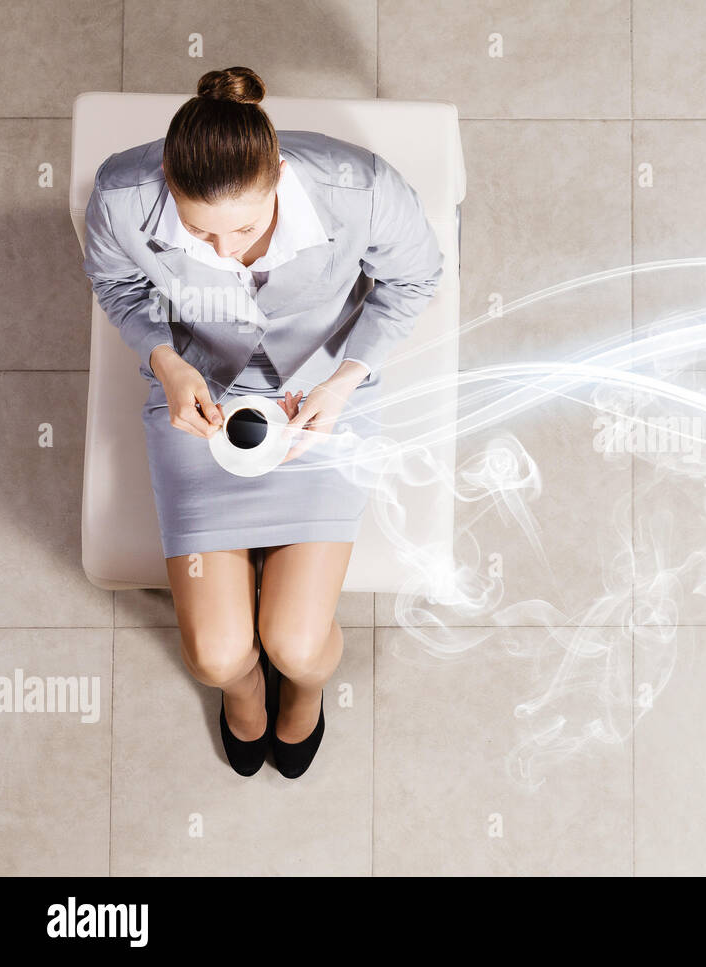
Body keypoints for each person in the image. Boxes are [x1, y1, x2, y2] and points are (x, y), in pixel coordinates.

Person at [81, 66, 444, 778]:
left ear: (277, 174)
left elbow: (415, 278)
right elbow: (118, 286)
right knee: (215, 654)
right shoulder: (122, 197)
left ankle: (302, 685)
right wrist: (163, 359)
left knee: (298, 643)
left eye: (244, 228)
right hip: (201, 395)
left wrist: (345, 382)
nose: (224, 254)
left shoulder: (357, 188)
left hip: (321, 390)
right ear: (165, 176)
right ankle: (245, 689)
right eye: (198, 232)